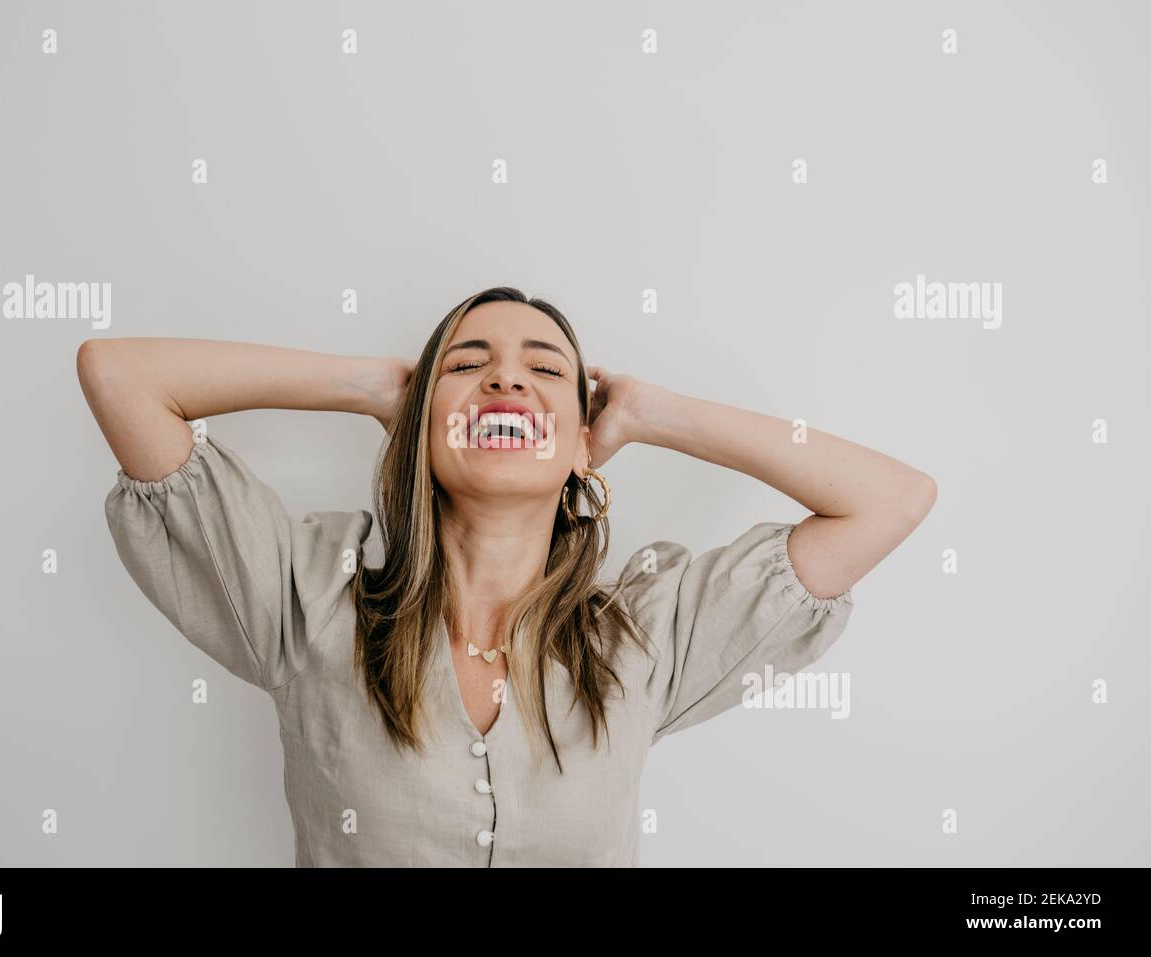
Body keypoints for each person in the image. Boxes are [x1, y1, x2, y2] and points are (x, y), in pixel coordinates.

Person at [76, 285, 936, 866]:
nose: (506, 377)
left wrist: (650, 413)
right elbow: (119, 376)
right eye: (467, 363)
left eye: (545, 369)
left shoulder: (646, 635)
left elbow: (891, 499)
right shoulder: (309, 597)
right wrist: (376, 388)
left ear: (578, 439)